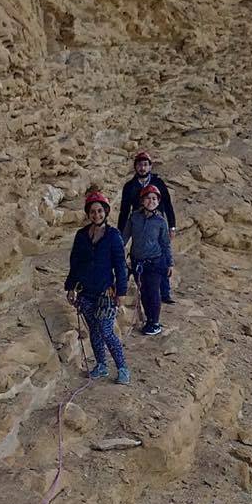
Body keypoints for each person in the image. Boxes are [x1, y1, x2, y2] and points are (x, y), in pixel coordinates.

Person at [64, 189, 130, 383]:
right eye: (92, 211)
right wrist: (71, 287)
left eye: (100, 211)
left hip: (105, 293)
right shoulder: (82, 235)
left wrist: (122, 292)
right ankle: (101, 365)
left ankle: (122, 368)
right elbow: (75, 262)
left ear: (106, 211)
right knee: (94, 330)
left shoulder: (113, 236)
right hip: (86, 292)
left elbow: (120, 265)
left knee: (107, 331)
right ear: (88, 213)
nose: (96, 215)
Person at [117, 152, 177, 304]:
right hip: (138, 222)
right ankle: (135, 286)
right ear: (135, 166)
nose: (142, 168)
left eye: (145, 165)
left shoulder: (158, 182)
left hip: (157, 222)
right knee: (138, 253)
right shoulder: (130, 186)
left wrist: (172, 225)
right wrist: (120, 232)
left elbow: (168, 204)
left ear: (150, 166)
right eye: (139, 165)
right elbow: (124, 210)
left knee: (161, 255)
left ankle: (165, 292)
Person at [126, 183, 172, 337]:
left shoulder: (160, 222)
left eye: (154, 199)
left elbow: (165, 244)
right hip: (138, 262)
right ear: (142, 201)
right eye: (148, 198)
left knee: (153, 292)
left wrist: (169, 263)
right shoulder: (134, 218)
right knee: (144, 291)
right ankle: (149, 320)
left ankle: (155, 322)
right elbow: (125, 237)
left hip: (155, 262)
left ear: (158, 202)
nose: (151, 201)